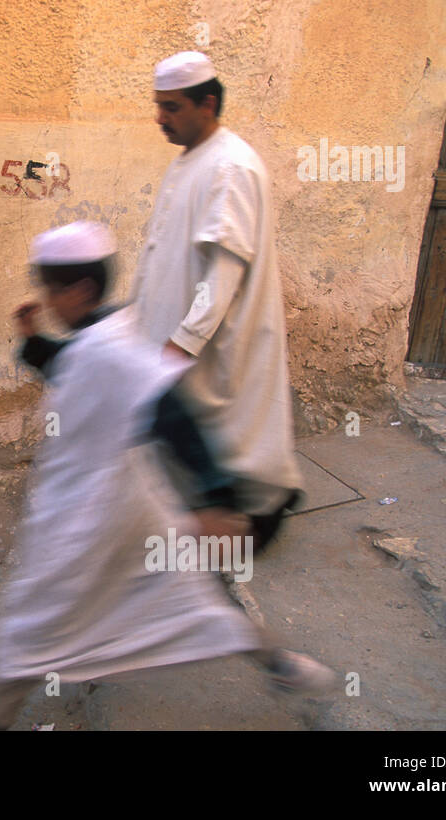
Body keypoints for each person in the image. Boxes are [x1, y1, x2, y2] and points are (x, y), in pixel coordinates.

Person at [0, 222, 335, 730]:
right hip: (131, 505)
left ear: (79, 289)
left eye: (51, 290)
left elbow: (171, 412)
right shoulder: (107, 336)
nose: (46, 300)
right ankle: (284, 666)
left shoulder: (111, 350)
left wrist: (214, 499)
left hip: (90, 515)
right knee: (191, 601)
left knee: (28, 628)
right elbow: (74, 369)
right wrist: (34, 343)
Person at [129, 51, 304, 547]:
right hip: (178, 328)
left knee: (233, 425)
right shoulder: (193, 158)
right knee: (198, 430)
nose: (160, 118)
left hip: (213, 333)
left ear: (207, 103)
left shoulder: (231, 166)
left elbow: (226, 265)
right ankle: (224, 506)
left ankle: (263, 510)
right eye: (158, 105)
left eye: (172, 107)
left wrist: (185, 341)